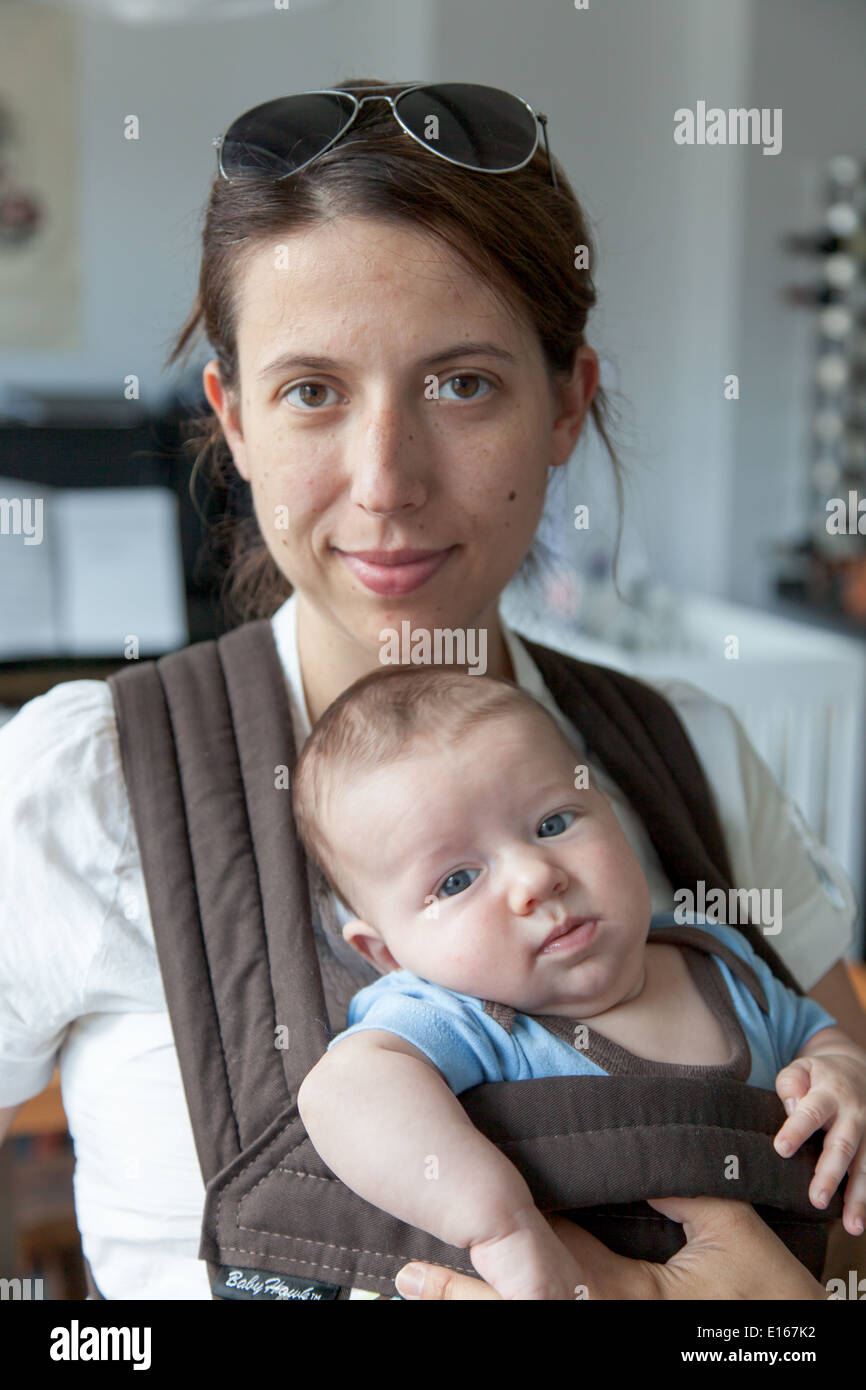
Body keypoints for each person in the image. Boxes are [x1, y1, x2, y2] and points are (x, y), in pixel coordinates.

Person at [0, 77, 863, 1301]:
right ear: (233, 420)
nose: (385, 481)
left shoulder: (688, 755)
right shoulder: (80, 784)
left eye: (461, 383)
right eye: (311, 392)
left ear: (567, 401)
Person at [292, 664, 866, 1299]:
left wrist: (842, 1073)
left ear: (615, 817)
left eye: (554, 823)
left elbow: (819, 1035)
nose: (535, 878)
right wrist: (501, 1225)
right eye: (457, 880)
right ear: (386, 953)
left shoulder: (723, 961)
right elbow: (341, 1092)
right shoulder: (462, 1016)